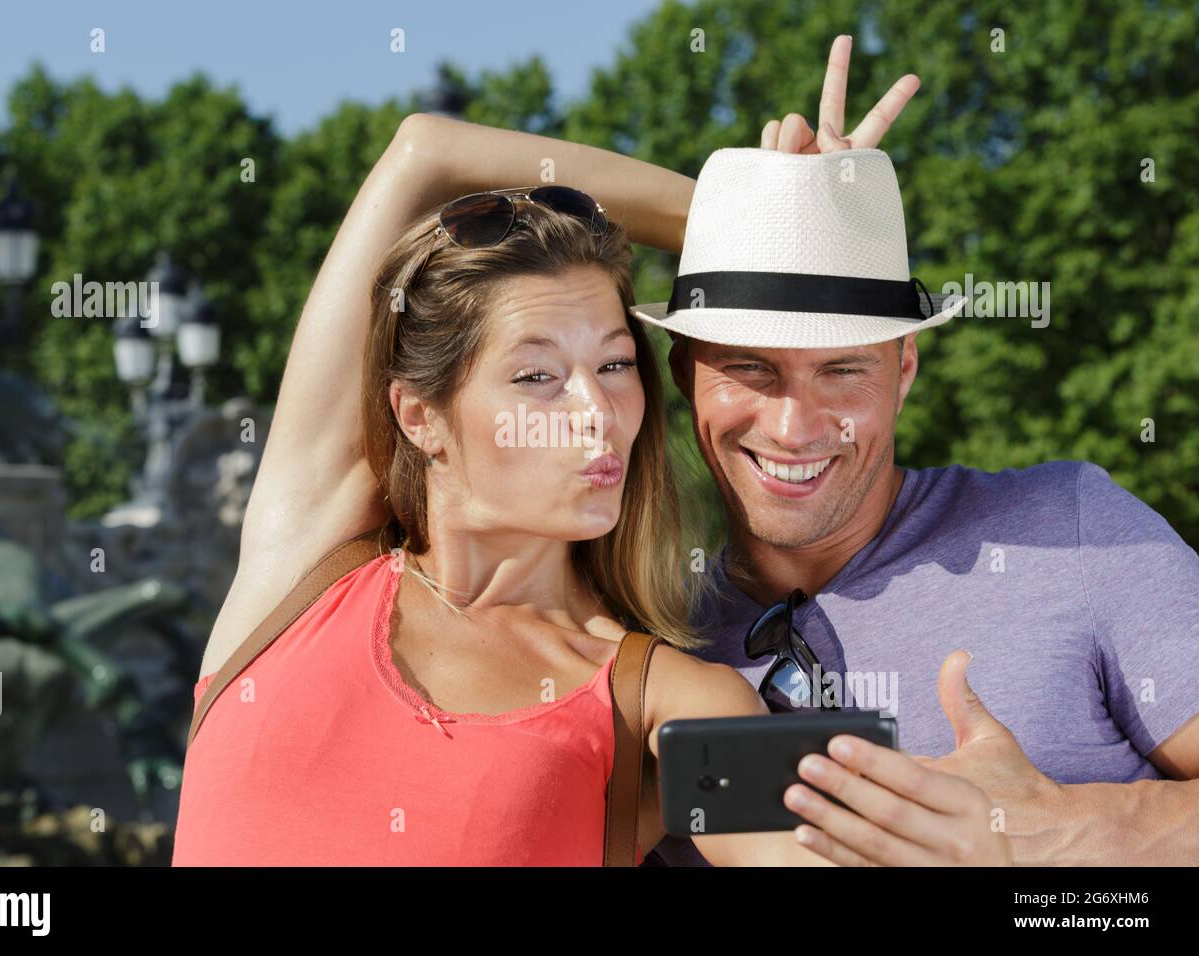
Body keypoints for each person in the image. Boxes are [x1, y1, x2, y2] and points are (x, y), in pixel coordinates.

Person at [172, 38, 1010, 866]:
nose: (597, 413)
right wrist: (761, 222)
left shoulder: (668, 702)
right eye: (537, 375)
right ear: (421, 417)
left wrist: (984, 856)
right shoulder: (306, 560)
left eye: (614, 365)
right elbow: (426, 152)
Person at [639, 37, 1199, 867]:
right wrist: (772, 213)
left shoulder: (1076, 526)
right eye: (749, 366)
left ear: (905, 369)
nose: (794, 428)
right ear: (686, 373)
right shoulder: (639, 628)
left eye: (842, 369)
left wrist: (1068, 832)